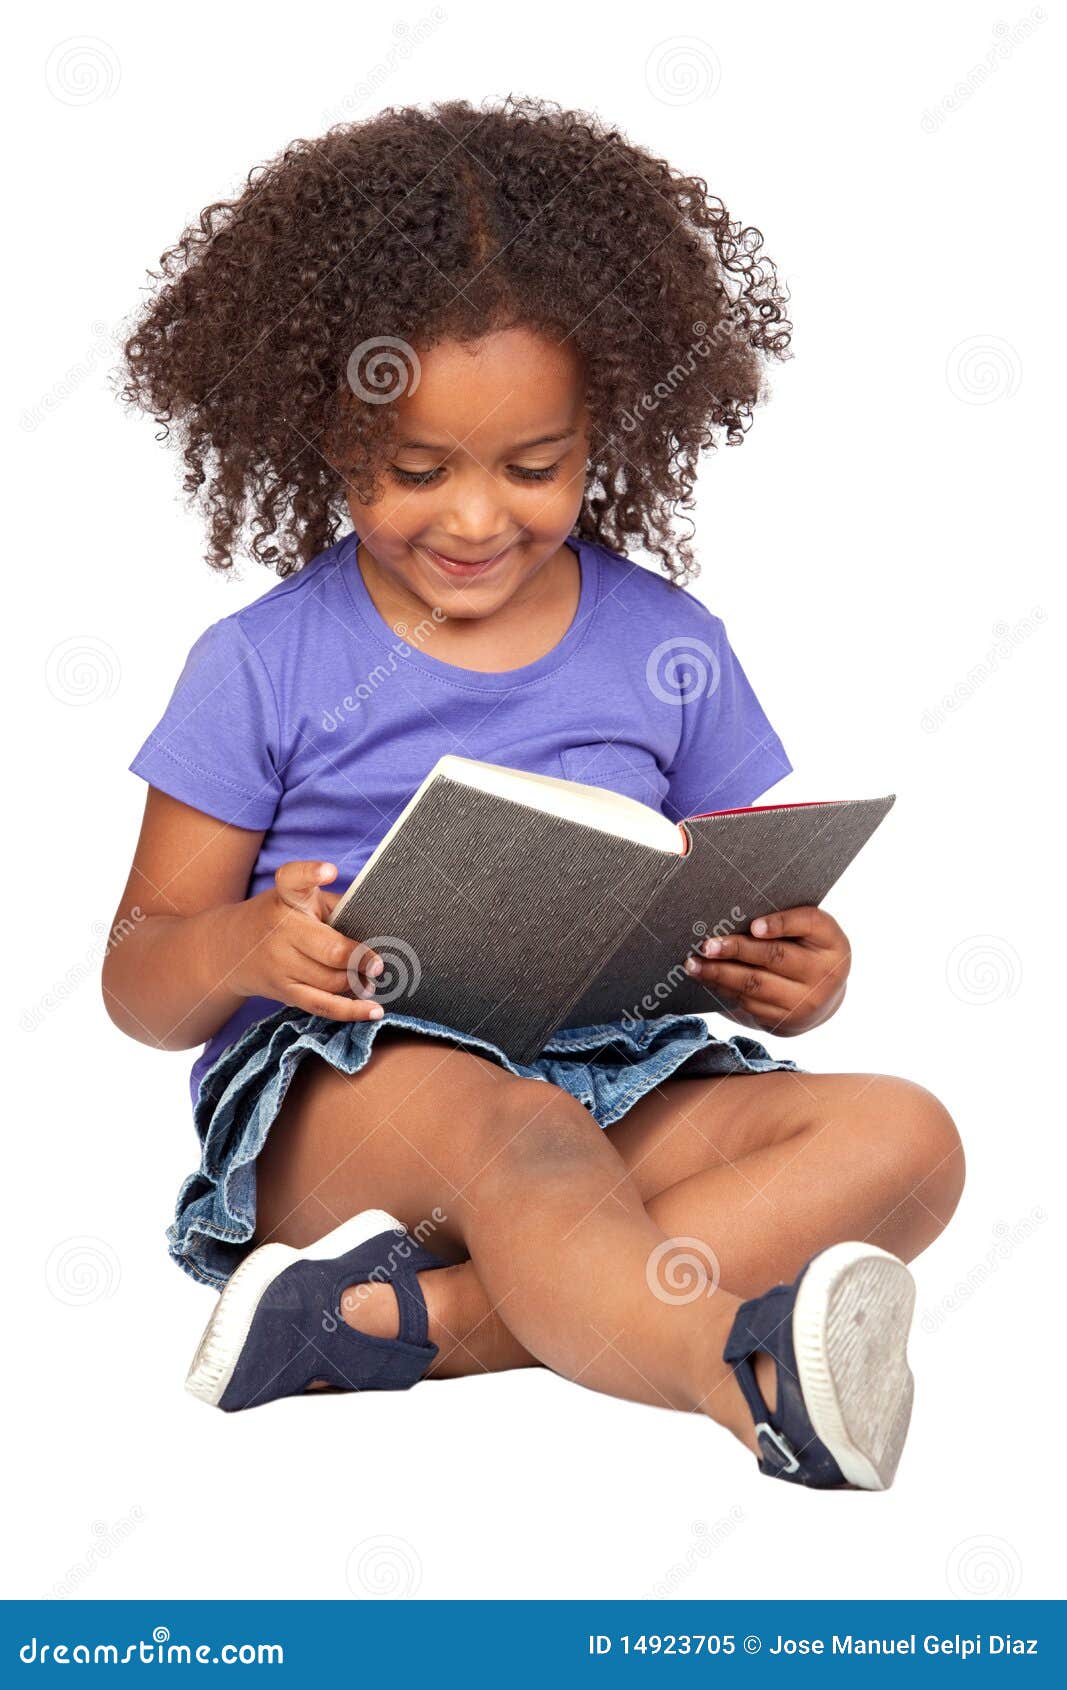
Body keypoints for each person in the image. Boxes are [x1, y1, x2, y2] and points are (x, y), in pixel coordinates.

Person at [103, 96, 963, 1488]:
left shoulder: (667, 645)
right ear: (320, 435)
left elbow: (733, 887)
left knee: (908, 1141)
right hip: (354, 1101)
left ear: (604, 428)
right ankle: (739, 1377)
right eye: (415, 470)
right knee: (532, 1133)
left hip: (609, 1068)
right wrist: (240, 944)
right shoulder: (261, 663)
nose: (474, 518)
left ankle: (391, 1322)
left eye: (534, 466)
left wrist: (797, 971)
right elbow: (138, 980)